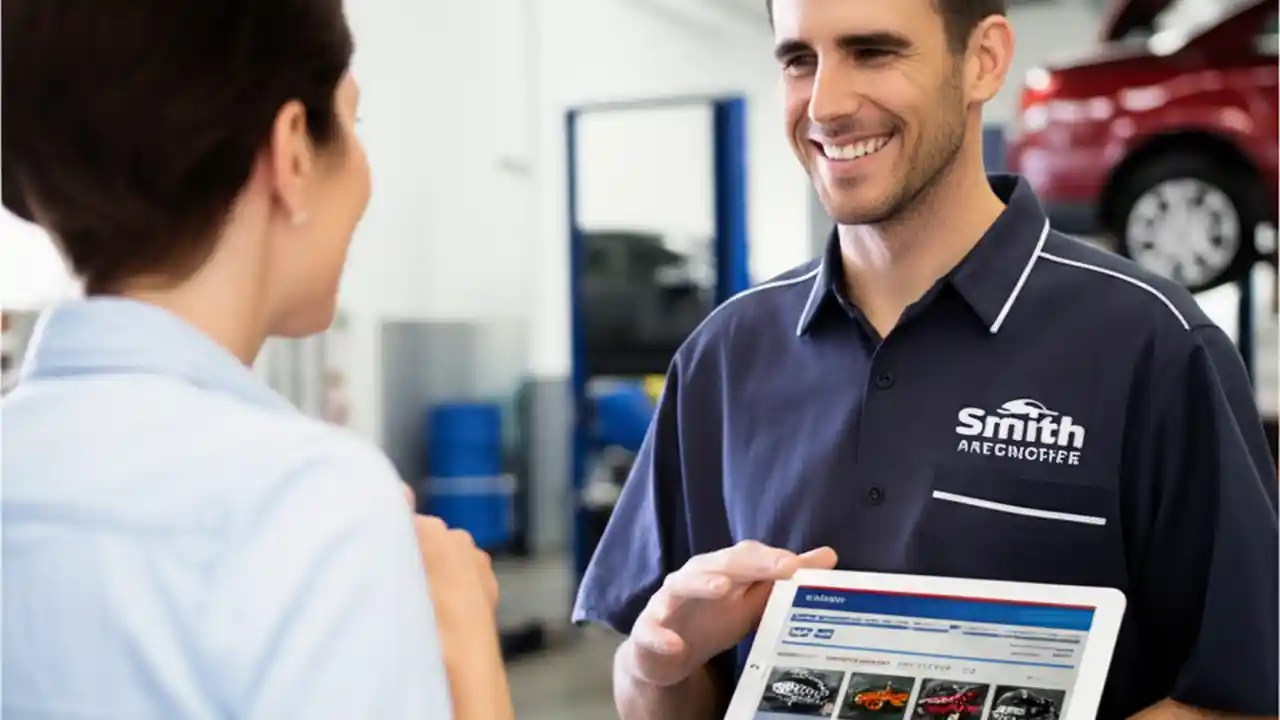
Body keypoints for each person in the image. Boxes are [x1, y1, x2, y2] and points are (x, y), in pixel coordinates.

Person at [571, 0, 1279, 718]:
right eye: (798, 60)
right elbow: (652, 686)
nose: (827, 104)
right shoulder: (724, 356)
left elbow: (1247, 696)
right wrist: (661, 664)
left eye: (873, 52)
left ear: (983, 60)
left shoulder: (1152, 345)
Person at [1, 1, 513, 718]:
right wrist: (466, 637)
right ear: (295, 149)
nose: (365, 175)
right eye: (353, 125)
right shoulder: (312, 506)